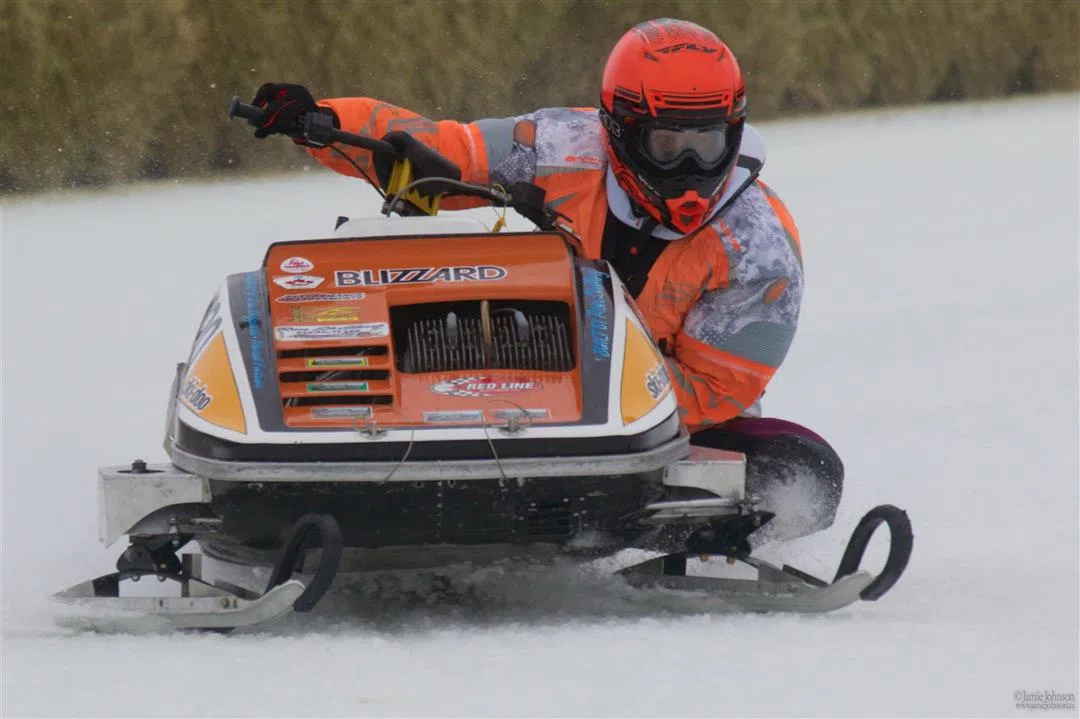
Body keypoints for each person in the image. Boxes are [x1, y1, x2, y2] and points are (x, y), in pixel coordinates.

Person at [249, 18, 842, 539]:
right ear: (619, 130)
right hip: (511, 382)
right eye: (667, 145)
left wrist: (578, 402)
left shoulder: (760, 250)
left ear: (733, 134)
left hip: (649, 430)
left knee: (802, 469)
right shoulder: (558, 149)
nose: (689, 169)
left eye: (706, 146)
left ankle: (660, 531)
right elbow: (441, 148)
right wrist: (325, 120)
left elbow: (716, 389)